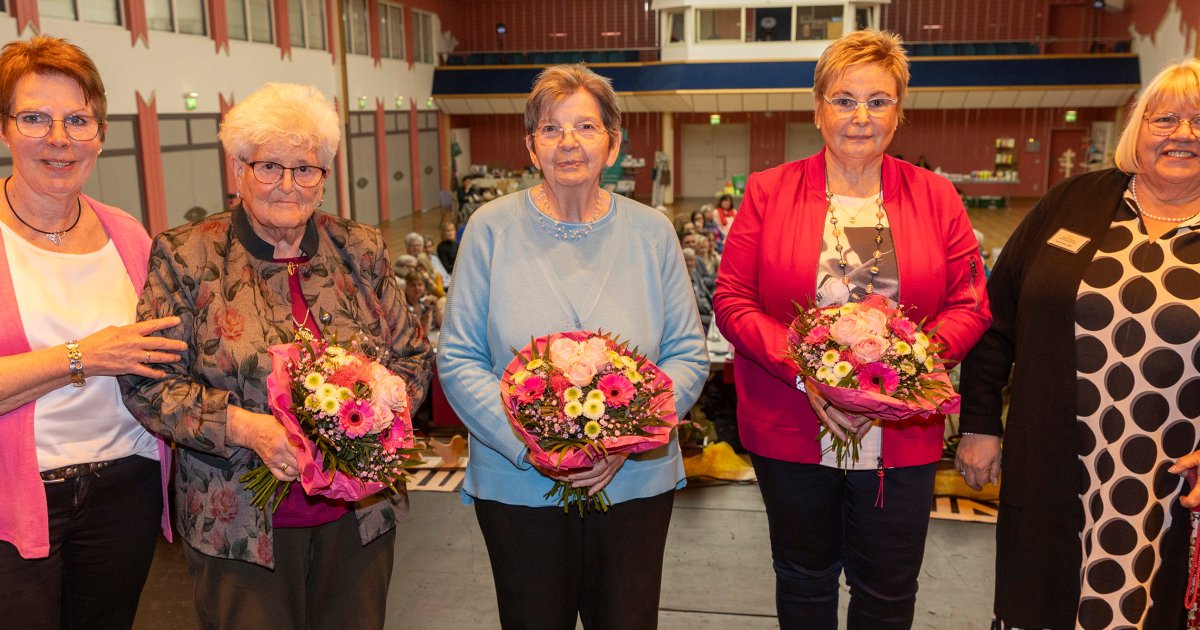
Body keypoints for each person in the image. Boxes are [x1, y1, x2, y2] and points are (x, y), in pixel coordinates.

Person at [120, 83, 433, 630]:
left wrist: (369, 419)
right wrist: (249, 429)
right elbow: (149, 384)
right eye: (269, 166)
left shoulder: (360, 247)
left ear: (324, 177)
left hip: (357, 519)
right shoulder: (187, 254)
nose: (288, 185)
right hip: (237, 526)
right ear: (237, 169)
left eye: (305, 169)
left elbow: (412, 358)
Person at [712, 30, 991, 629]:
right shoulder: (767, 192)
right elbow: (733, 300)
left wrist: (901, 375)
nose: (860, 117)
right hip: (793, 423)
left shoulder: (937, 197)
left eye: (878, 100)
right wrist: (805, 372)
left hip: (903, 430)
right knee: (804, 581)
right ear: (818, 109)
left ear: (899, 111)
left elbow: (970, 304)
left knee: (888, 591)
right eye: (844, 100)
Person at [437, 63, 709, 629]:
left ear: (613, 143)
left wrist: (627, 439)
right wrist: (535, 445)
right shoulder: (489, 229)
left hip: (633, 483)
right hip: (520, 487)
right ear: (531, 147)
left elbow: (687, 353)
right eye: (550, 128)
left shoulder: (652, 232)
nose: (568, 142)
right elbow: (459, 358)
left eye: (585, 127)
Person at [957, 59, 1200, 630]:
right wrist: (980, 424)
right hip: (1051, 458)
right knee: (1040, 601)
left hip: (1168, 476)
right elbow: (996, 318)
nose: (1183, 134)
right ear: (1138, 127)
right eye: (1165, 119)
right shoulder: (1072, 202)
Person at [0, 35, 187, 630]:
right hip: (16, 500)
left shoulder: (128, 234)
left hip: (125, 487)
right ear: (4, 129)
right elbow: (108, 354)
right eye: (35, 118)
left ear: (100, 135)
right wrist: (83, 356)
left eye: (78, 120)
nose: (59, 138)